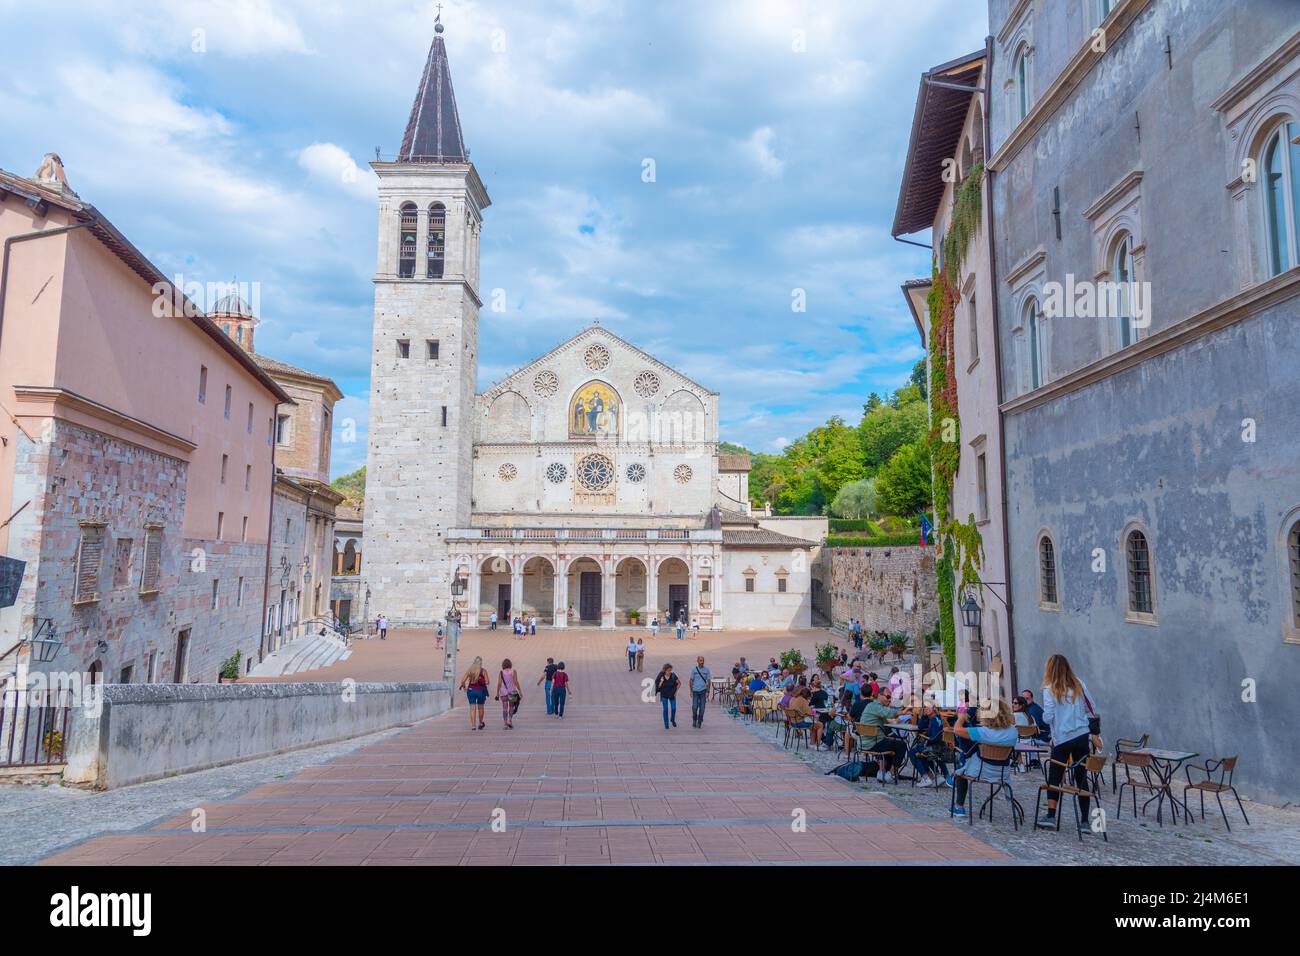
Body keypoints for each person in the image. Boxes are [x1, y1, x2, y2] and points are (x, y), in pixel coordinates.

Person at [1037, 655, 1099, 831]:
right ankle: (1085, 821)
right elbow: (1090, 706)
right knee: (1081, 777)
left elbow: (1048, 716)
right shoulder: (1078, 683)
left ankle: (1050, 815)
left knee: (1055, 776)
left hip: (1062, 737)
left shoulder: (1049, 689)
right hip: (1081, 734)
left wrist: (1049, 715)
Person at [949, 698, 1018, 815]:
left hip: (981, 772)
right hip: (1002, 773)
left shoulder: (983, 732)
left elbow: (956, 730)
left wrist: (961, 718)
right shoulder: (1013, 731)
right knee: (967, 756)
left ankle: (959, 806)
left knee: (962, 762)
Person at [857, 689, 907, 780]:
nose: (889, 700)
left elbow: (887, 718)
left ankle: (882, 772)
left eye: (890, 698)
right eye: (888, 697)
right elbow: (888, 713)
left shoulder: (871, 705)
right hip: (874, 743)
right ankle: (892, 773)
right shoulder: (876, 707)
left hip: (863, 742)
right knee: (902, 745)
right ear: (879, 695)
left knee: (890, 740)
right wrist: (903, 712)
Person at [908, 702, 950, 787]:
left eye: (929, 707)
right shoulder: (933, 718)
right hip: (937, 746)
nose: (926, 708)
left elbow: (936, 736)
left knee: (912, 752)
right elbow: (920, 727)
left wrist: (928, 742)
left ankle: (925, 777)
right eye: (925, 707)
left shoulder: (935, 720)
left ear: (934, 708)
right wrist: (924, 715)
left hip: (937, 747)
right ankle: (937, 776)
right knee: (920, 752)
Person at [458, 656, 490, 731]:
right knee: (480, 707)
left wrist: (464, 687)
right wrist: (481, 681)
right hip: (480, 691)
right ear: (481, 663)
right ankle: (481, 723)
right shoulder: (483, 671)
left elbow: (462, 681)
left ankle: (473, 726)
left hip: (471, 691)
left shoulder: (470, 670)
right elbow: (487, 682)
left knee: (472, 708)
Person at [495, 658, 522, 729]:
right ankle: (510, 720)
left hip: (503, 693)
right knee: (511, 707)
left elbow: (499, 683)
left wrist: (497, 693)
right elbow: (516, 682)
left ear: (503, 665)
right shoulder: (513, 671)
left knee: (504, 708)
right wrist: (520, 691)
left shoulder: (501, 672)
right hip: (512, 692)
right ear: (510, 664)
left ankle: (505, 723)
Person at [655, 663, 681, 729]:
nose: (669, 672)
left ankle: (672, 719)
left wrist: (676, 692)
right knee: (665, 709)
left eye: (670, 670)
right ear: (665, 670)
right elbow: (658, 687)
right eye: (668, 670)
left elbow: (679, 683)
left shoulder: (673, 676)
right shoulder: (661, 676)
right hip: (664, 695)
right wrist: (661, 682)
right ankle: (666, 724)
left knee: (673, 708)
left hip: (672, 694)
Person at [688, 656, 711, 728]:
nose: (702, 662)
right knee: (694, 707)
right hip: (695, 691)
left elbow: (709, 681)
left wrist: (708, 691)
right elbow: (691, 680)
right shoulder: (694, 670)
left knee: (702, 708)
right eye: (700, 660)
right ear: (697, 661)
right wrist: (691, 691)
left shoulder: (707, 670)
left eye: (703, 660)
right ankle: (694, 719)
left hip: (703, 691)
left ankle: (699, 721)